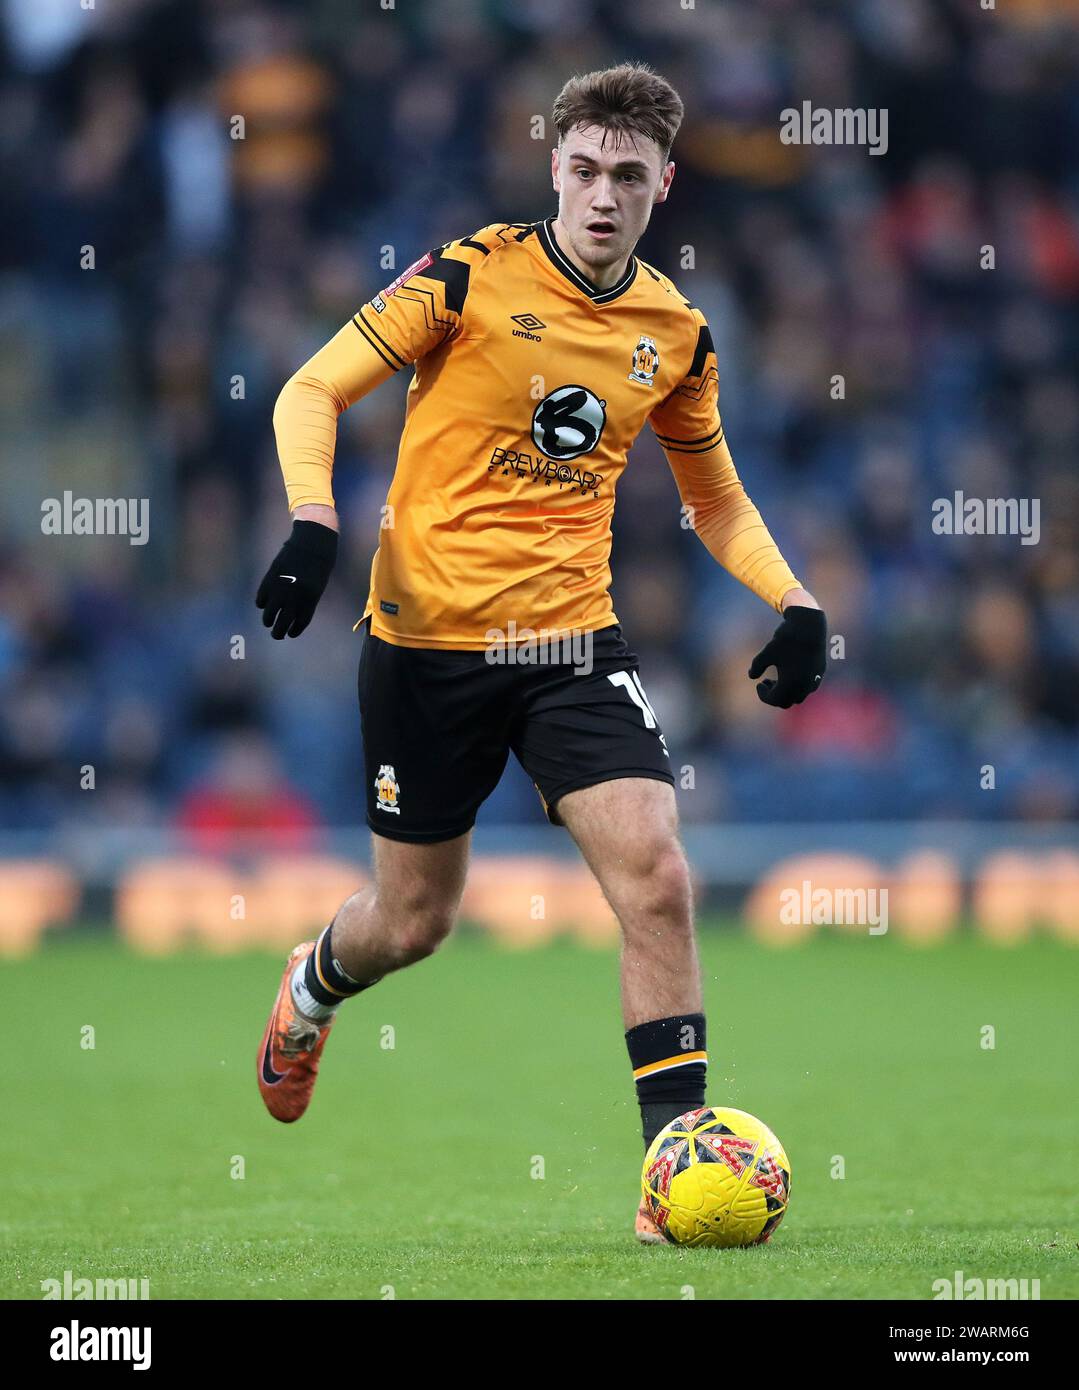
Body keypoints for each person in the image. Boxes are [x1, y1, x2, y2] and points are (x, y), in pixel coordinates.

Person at [254, 62, 826, 1243]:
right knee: (412, 922)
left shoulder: (674, 331)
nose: (602, 196)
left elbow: (711, 500)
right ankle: (312, 985)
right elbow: (312, 389)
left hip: (569, 641)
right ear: (550, 167)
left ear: (663, 185)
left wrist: (794, 598)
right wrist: (312, 520)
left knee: (658, 876)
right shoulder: (466, 275)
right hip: (424, 646)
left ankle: (674, 1172)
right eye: (582, 170)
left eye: (627, 176)